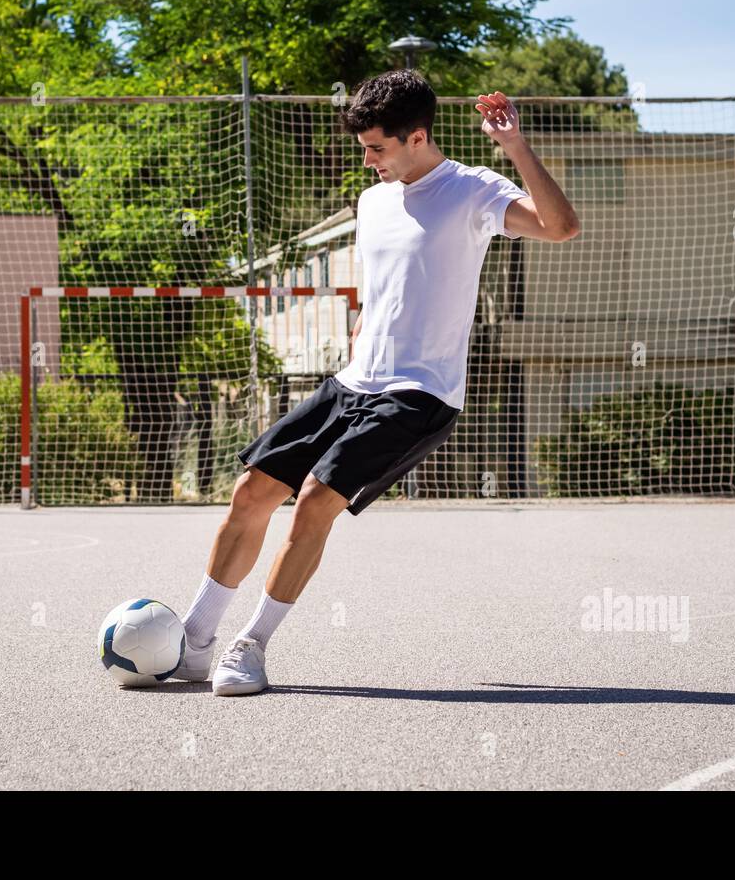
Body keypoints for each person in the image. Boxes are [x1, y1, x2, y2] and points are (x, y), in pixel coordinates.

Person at [174, 69, 580, 695]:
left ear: (417, 136)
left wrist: (516, 148)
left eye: (377, 148)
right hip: (353, 382)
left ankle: (249, 647)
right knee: (252, 491)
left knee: (313, 500)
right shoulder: (372, 200)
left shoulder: (473, 191)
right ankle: (194, 643)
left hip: (420, 393)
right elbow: (382, 289)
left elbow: (561, 227)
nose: (368, 162)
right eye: (363, 148)